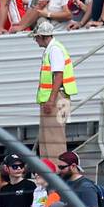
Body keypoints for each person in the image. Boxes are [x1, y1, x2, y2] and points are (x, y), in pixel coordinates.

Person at [34, 20, 76, 160]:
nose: (35, 40)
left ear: (42, 37)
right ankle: (49, 170)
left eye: (36, 37)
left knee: (54, 137)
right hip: (56, 96)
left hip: (56, 97)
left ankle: (56, 170)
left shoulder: (54, 50)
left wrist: (51, 100)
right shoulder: (53, 49)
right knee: (48, 137)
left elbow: (58, 75)